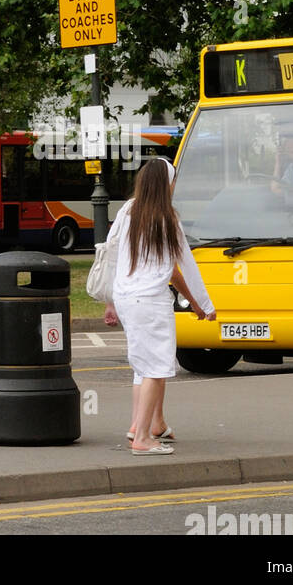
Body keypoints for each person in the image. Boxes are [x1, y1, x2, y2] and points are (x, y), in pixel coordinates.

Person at [103, 156, 216, 454]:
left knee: (144, 364)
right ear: (166, 184)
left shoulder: (127, 210)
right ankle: (142, 438)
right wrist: (204, 303)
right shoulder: (168, 218)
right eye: (174, 180)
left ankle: (144, 426)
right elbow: (186, 265)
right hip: (150, 301)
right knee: (155, 367)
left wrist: (110, 301)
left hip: (127, 298)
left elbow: (111, 256)